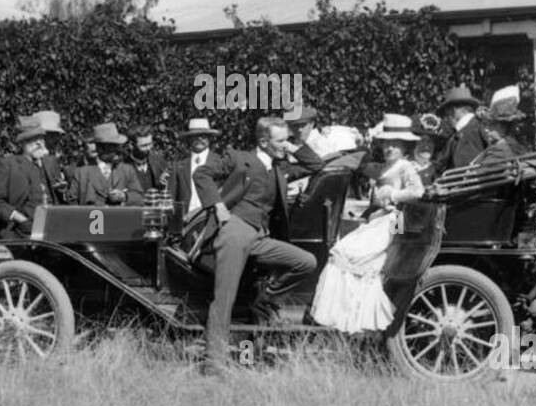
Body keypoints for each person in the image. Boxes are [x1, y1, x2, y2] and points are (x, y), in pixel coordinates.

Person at [193, 116, 323, 374]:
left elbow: (315, 164)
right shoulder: (238, 158)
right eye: (280, 141)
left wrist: (293, 146)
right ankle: (213, 363)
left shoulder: (280, 168)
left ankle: (265, 301)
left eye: (287, 140)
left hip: (260, 237)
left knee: (306, 262)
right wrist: (217, 205)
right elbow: (202, 173)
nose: (285, 146)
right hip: (235, 231)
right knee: (225, 298)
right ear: (263, 141)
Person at [311, 114, 424, 333]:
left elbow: (418, 191)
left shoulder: (405, 167)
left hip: (394, 221)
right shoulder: (382, 167)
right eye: (386, 143)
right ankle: (346, 314)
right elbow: (358, 164)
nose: (389, 148)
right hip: (378, 219)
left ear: (405, 146)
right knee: (341, 252)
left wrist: (393, 195)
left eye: (395, 144)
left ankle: (357, 316)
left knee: (346, 253)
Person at [0, 119, 60, 237]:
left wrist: (62, 190)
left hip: (52, 230)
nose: (39, 143)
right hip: (22, 232)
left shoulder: (49, 163)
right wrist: (21, 220)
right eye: (33, 140)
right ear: (22, 143)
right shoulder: (9, 164)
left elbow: (59, 197)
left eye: (41, 138)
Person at [69, 123, 144, 206]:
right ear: (100, 148)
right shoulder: (81, 173)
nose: (118, 149)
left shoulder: (127, 170)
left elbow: (140, 198)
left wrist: (124, 196)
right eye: (112, 146)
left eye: (118, 145)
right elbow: (72, 203)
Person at [169, 118, 224, 224]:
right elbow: (172, 199)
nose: (200, 139)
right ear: (189, 139)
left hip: (213, 221)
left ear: (209, 138)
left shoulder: (220, 163)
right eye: (195, 136)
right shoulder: (178, 166)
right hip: (186, 221)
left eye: (203, 135)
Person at [433, 85, 487, 173]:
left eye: (445, 114)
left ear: (452, 111)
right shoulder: (483, 126)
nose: (446, 119)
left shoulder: (478, 128)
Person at [124, 124, 169, 204]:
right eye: (144, 146)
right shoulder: (122, 166)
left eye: (150, 144)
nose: (149, 148)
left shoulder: (159, 161)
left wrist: (163, 184)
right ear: (131, 145)